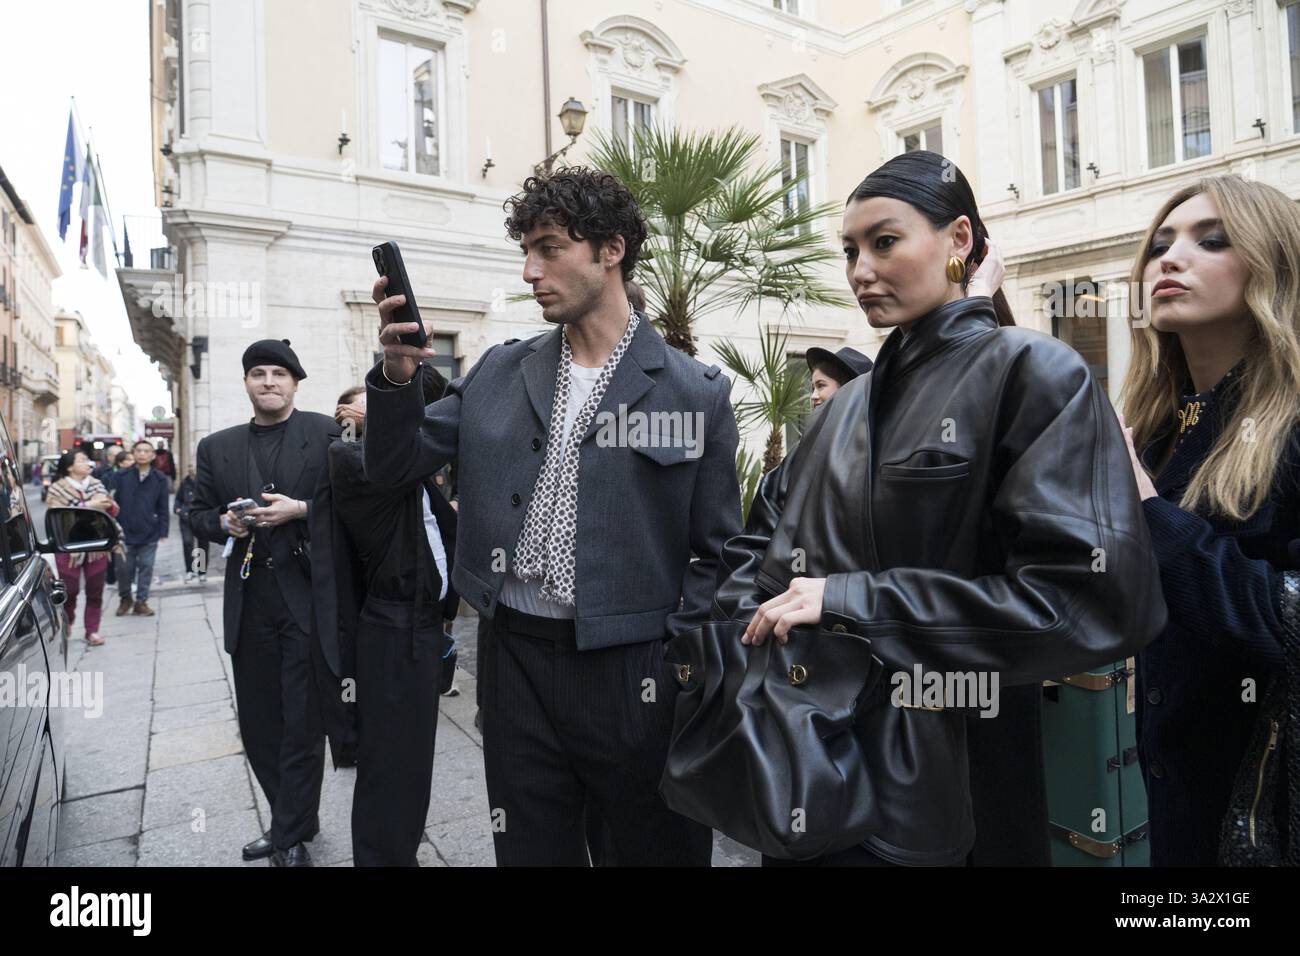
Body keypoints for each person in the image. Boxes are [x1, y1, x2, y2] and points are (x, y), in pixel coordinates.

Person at [702, 150, 1167, 866]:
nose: (860, 269)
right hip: (807, 770)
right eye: (850, 249)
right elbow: (755, 547)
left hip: (957, 787)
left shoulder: (1034, 371)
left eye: (884, 241)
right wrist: (737, 656)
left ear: (958, 241)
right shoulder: (842, 406)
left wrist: (854, 600)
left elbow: (1091, 599)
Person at [363, 166, 742, 866]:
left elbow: (718, 554)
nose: (531, 270)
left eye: (548, 248)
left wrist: (676, 666)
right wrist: (395, 377)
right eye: (525, 253)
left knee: (651, 851)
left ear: (610, 249)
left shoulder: (694, 393)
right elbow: (391, 468)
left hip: (634, 672)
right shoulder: (500, 372)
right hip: (513, 664)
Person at [1117, 175, 1300, 866]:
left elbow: (1280, 619)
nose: (1169, 258)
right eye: (1160, 244)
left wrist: (1147, 513)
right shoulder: (1162, 433)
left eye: (1210, 240)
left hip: (1266, 823)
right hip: (1177, 809)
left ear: (1273, 266)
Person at [188, 338, 340, 867]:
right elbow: (197, 512)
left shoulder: (325, 433)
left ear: (295, 383)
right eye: (259, 373)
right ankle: (293, 817)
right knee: (258, 723)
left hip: (306, 599)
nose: (269, 381)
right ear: (247, 383)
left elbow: (354, 498)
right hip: (250, 601)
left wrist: (300, 509)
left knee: (302, 721)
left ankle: (289, 834)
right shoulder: (217, 447)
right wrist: (223, 523)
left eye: (279, 373)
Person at [312, 369, 461, 866]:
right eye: (364, 410)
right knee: (389, 768)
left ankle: (399, 855)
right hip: (393, 632)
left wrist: (399, 377)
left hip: (424, 629)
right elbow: (382, 458)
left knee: (411, 767)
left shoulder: (416, 469)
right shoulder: (351, 457)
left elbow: (441, 402)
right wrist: (375, 422)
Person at [46, 450, 119, 647]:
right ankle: (67, 620)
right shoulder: (57, 489)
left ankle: (92, 631)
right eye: (82, 459)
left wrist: (109, 505)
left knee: (96, 590)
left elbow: (112, 511)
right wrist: (89, 504)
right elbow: (57, 514)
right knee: (69, 589)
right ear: (70, 466)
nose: (88, 463)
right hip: (68, 545)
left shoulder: (96, 484)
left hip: (96, 545)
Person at [112, 440, 170, 617]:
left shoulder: (160, 479)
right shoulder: (121, 476)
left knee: (146, 567)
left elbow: (163, 507)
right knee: (123, 569)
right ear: (133, 453)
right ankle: (125, 598)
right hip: (124, 532)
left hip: (149, 531)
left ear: (152, 455)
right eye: (139, 450)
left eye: (146, 451)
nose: (142, 454)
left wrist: (163, 530)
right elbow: (112, 504)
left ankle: (141, 601)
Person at [175, 463, 208, 584]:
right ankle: (190, 570)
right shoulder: (185, 482)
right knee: (187, 543)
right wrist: (178, 509)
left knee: (202, 546)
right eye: (189, 467)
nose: (190, 469)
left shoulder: (204, 482)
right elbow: (178, 498)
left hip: (201, 517)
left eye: (192, 467)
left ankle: (202, 572)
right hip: (186, 517)